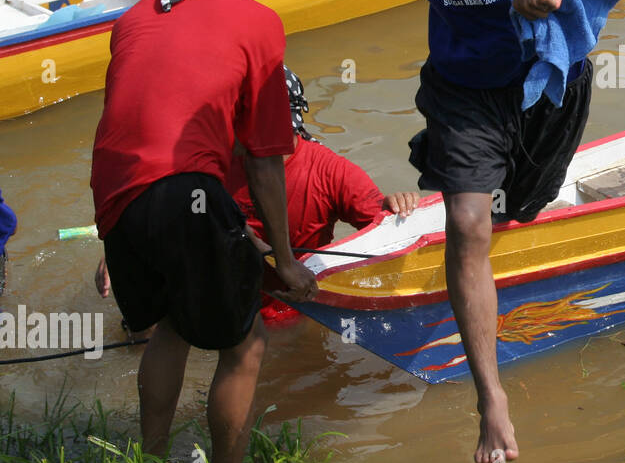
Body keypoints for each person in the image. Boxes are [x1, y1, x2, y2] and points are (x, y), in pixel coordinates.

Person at [372, 0, 620, 463]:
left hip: (546, 80)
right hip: (462, 88)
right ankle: (491, 397)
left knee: (522, 207)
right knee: (466, 218)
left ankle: (481, 262)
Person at [90, 0, 316, 463]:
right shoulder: (256, 21)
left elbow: (127, 125)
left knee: (171, 327)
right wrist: (288, 261)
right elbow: (267, 160)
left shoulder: (131, 20)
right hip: (185, 192)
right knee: (245, 344)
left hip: (114, 202)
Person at [95, 66, 421, 325]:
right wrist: (123, 251)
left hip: (301, 312)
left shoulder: (331, 171)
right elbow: (157, 212)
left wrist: (400, 207)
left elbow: (386, 241)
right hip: (224, 303)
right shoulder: (210, 163)